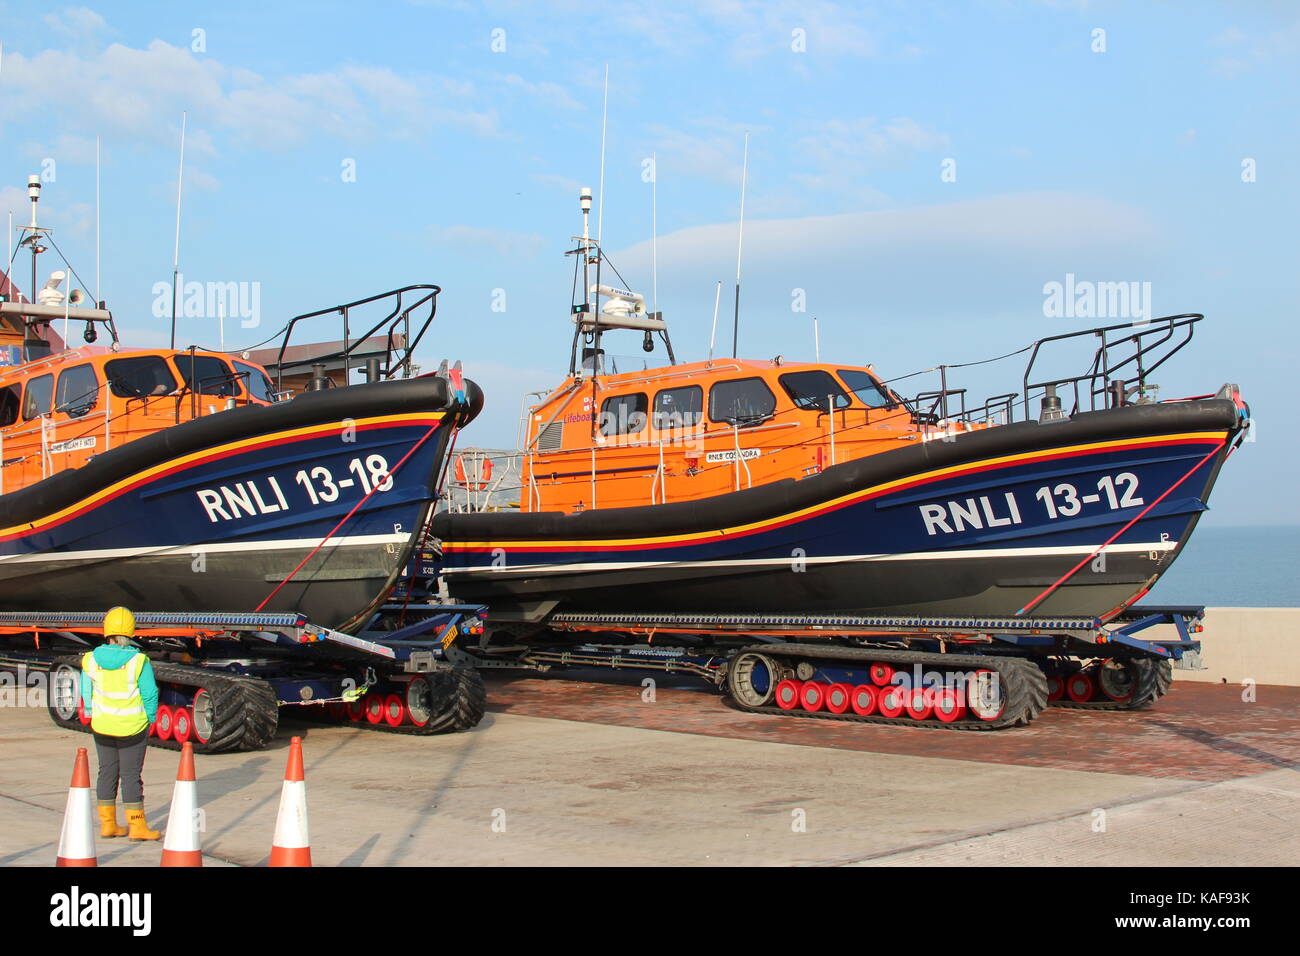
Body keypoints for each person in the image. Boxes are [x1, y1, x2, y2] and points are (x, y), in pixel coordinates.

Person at [79, 606, 161, 840]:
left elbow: (86, 690)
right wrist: (151, 718)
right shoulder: (138, 661)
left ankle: (108, 825)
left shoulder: (91, 659)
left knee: (106, 772)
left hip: (102, 726)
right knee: (131, 775)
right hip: (132, 728)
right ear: (131, 632)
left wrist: (91, 712)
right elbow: (150, 694)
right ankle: (137, 827)